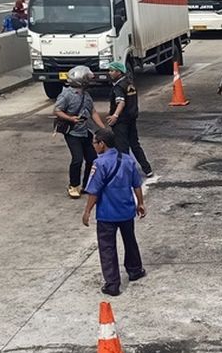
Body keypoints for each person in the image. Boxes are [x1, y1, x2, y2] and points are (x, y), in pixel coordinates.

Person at [82, 128, 146, 297]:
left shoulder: (99, 164)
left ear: (102, 144)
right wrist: (140, 203)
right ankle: (135, 270)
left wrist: (87, 211)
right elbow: (137, 184)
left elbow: (94, 191)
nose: (94, 146)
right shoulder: (127, 159)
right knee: (130, 241)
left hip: (107, 214)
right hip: (126, 211)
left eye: (95, 143)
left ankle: (112, 284)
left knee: (107, 248)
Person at [53, 65, 105, 199]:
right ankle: (73, 185)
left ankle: (87, 184)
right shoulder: (66, 95)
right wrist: (70, 118)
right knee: (77, 159)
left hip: (85, 131)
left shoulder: (86, 96)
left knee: (92, 159)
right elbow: (57, 111)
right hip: (72, 133)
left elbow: (93, 112)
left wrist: (103, 129)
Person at [104, 61, 153, 177]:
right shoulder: (130, 83)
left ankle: (126, 172)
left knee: (122, 147)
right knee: (135, 145)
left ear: (119, 72)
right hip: (131, 118)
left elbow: (121, 102)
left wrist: (115, 116)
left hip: (121, 121)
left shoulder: (118, 87)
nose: (110, 73)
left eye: (112, 70)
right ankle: (147, 169)